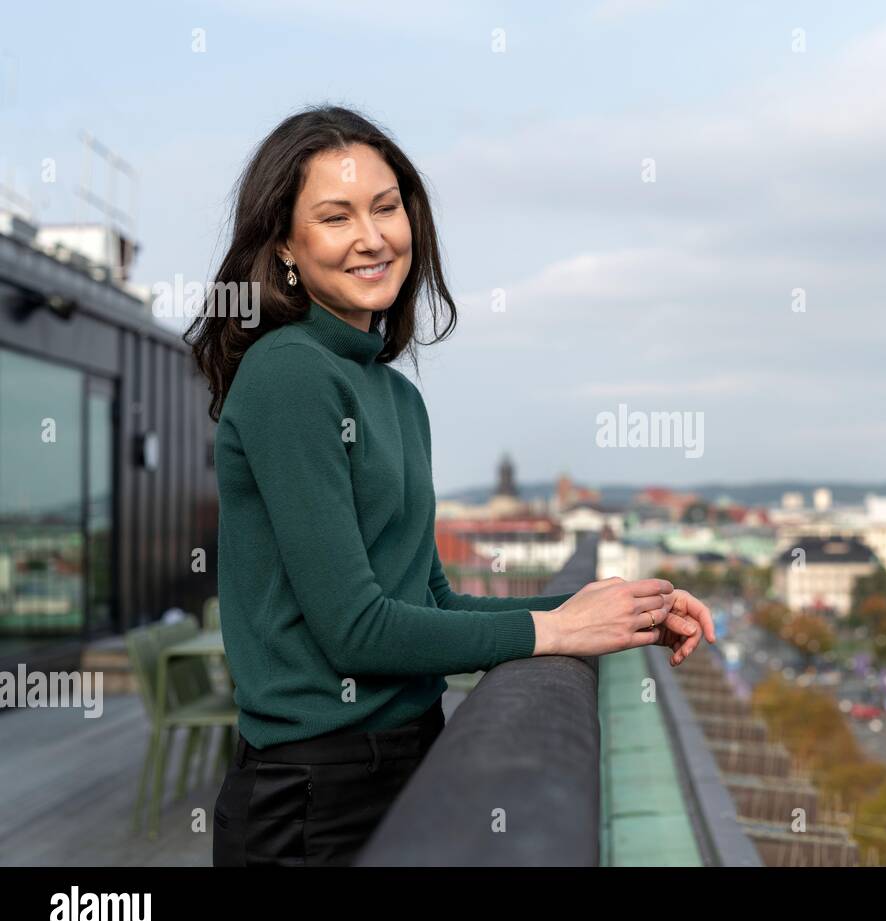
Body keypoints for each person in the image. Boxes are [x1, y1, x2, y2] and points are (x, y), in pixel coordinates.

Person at [187, 105, 715, 866]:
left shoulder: (395, 395)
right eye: (335, 217)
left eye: (386, 206)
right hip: (313, 801)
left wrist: (618, 610)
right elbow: (356, 630)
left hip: (414, 761)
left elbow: (427, 604)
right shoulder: (290, 374)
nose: (372, 237)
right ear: (286, 249)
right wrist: (558, 631)